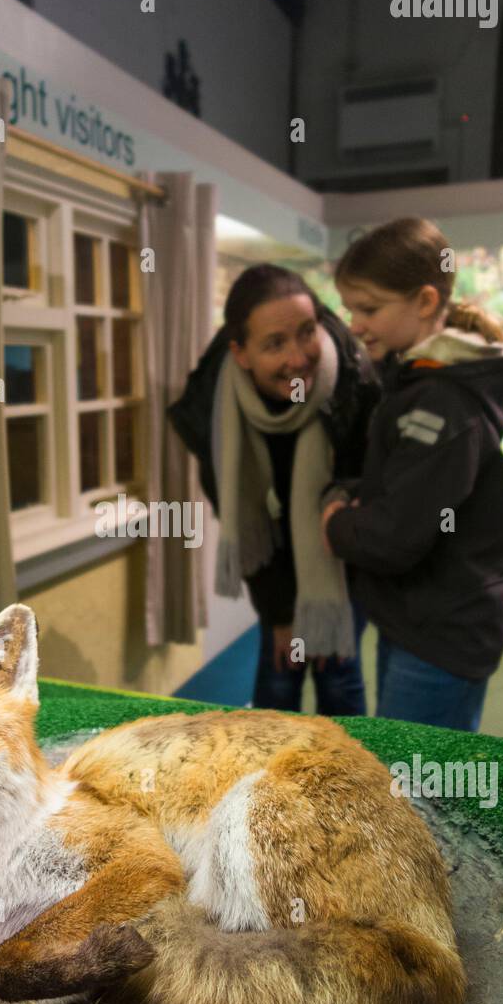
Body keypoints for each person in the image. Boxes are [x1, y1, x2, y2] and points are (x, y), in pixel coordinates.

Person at [323, 216, 503, 732]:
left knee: (417, 787)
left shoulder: (442, 400)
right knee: (404, 763)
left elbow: (396, 535)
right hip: (417, 616)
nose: (355, 323)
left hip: (444, 628)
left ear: (426, 302)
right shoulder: (417, 381)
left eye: (368, 309)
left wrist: (336, 524)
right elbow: (404, 484)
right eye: (350, 309)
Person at [167, 263, 380, 716]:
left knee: (339, 677)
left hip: (344, 563)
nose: (299, 357)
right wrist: (281, 615)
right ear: (241, 354)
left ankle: (352, 784)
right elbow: (243, 523)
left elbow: (372, 488)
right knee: (280, 677)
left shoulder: (357, 384)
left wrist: (325, 611)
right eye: (274, 344)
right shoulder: (211, 415)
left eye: (307, 332)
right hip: (273, 560)